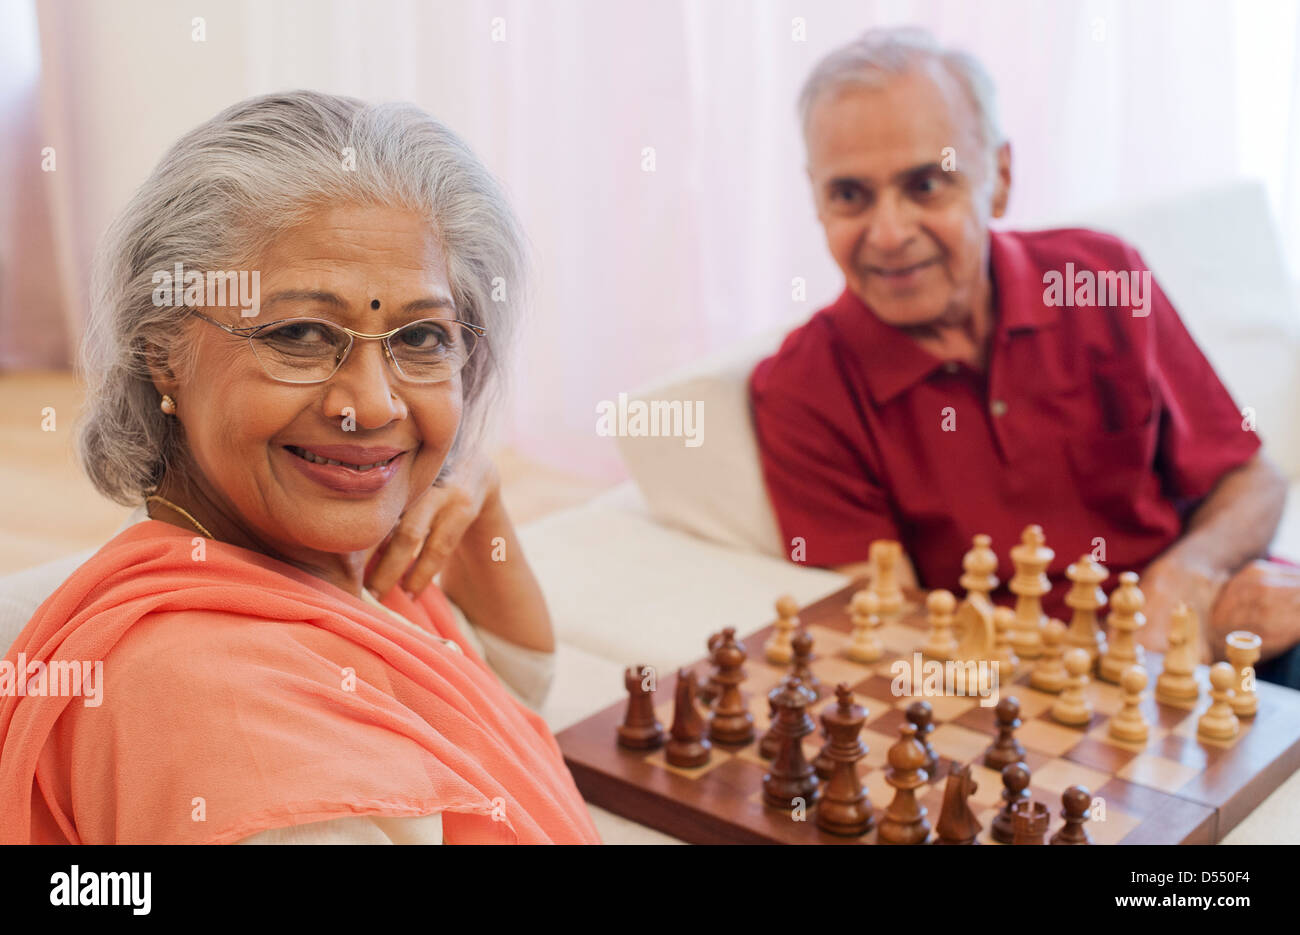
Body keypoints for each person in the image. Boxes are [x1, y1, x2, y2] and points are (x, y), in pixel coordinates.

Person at [0, 91, 601, 843]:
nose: (373, 404)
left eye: (421, 337)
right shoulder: (215, 711)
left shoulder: (311, 550)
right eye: (301, 333)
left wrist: (477, 494)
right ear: (162, 353)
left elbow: (511, 693)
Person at [749, 28, 1300, 685]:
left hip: (1210, 632)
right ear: (815, 198)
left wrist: (1191, 573)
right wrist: (1125, 649)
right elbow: (890, 632)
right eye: (850, 195)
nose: (889, 234)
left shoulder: (1101, 273)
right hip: (1023, 694)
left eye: (926, 184)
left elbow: (1251, 478)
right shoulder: (801, 389)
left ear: (1000, 178)